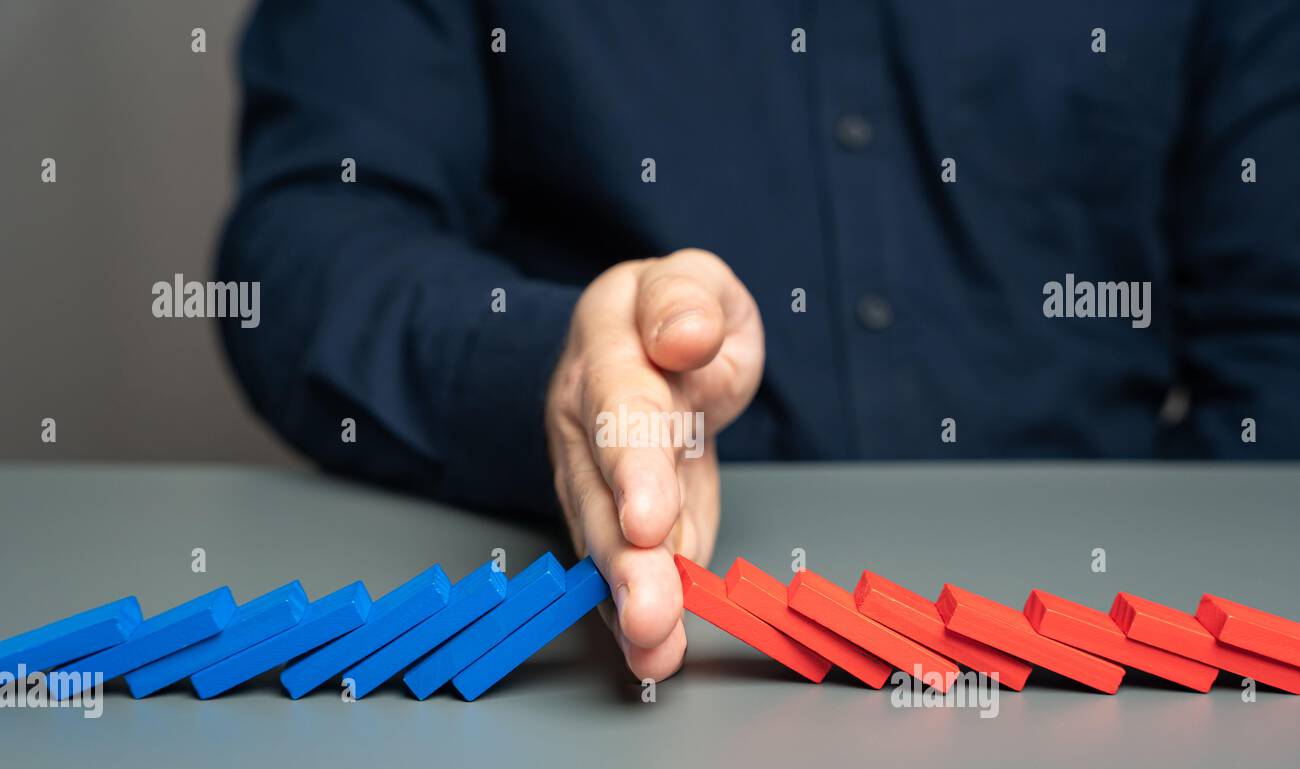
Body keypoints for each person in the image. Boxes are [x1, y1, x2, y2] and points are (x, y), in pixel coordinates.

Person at [217, 1, 1300, 682]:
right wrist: (554, 365)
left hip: (1122, 676)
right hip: (630, 638)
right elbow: (308, 235)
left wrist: (1199, 656)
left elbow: (1277, 323)